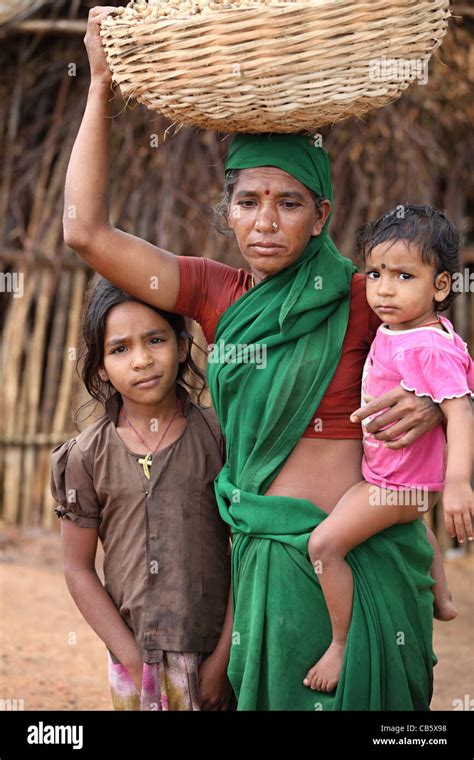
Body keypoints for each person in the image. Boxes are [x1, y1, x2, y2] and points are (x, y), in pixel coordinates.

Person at [63, 7, 447, 709]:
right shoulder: (216, 296)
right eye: (249, 201)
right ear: (229, 209)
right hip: (267, 571)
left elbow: (453, 381)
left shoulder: (366, 297)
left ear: (322, 215)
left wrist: (429, 408)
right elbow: (84, 231)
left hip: (363, 564)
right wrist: (98, 87)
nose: (266, 221)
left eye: (289, 203)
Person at [304, 205, 473, 693]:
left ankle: (339, 643)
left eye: (403, 275)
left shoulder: (426, 346)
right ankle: (441, 594)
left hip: (396, 486)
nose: (383, 288)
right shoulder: (411, 331)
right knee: (417, 525)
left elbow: (460, 410)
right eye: (375, 273)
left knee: (325, 545)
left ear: (440, 287)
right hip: (413, 486)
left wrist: (460, 482)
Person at [50, 277, 234, 711]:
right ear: (99, 368)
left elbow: (246, 549)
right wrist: (132, 661)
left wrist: (226, 658)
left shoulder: (219, 437)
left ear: (183, 345)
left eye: (155, 340)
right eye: (120, 349)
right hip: (133, 660)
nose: (141, 360)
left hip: (218, 654)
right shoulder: (86, 456)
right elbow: (77, 568)